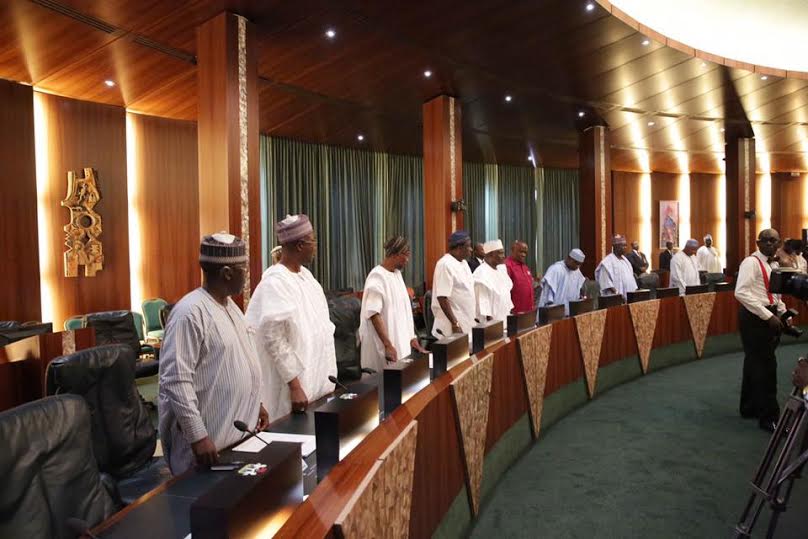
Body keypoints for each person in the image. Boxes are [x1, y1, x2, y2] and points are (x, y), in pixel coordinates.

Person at [158, 233, 268, 475]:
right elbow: (176, 380)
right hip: (206, 449)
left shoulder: (231, 307)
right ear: (227, 272)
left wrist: (256, 402)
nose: (247, 274)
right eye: (243, 268)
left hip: (235, 441)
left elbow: (239, 360)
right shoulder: (189, 313)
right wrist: (198, 436)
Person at [246, 214, 337, 422]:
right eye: (312, 240)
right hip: (292, 390)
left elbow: (322, 327)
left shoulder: (307, 278)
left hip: (316, 383)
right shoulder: (275, 282)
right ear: (299, 245)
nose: (315, 245)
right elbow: (274, 340)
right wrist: (295, 386)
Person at [735, 228, 788, 432]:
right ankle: (769, 418)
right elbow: (741, 293)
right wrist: (768, 316)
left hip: (768, 316)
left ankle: (749, 407)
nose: (770, 244)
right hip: (754, 318)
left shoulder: (772, 264)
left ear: (779, 243)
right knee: (766, 368)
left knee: (753, 362)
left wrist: (782, 313)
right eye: (765, 241)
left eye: (774, 241)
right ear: (758, 243)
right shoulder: (750, 263)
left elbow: (775, 295)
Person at [358, 236, 426, 373]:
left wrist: (412, 338)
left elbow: (404, 310)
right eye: (405, 256)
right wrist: (387, 345)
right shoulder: (377, 276)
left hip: (399, 342)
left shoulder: (397, 274)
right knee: (381, 387)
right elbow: (373, 314)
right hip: (383, 346)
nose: (407, 260)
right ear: (395, 254)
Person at [431, 230, 476, 338]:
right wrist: (455, 323)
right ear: (459, 248)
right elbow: (442, 297)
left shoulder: (464, 263)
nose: (471, 249)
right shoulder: (445, 264)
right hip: (451, 326)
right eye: (468, 246)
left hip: (466, 321)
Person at [473, 239, 513, 324]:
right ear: (491, 254)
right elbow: (483, 303)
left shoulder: (501, 269)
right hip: (491, 323)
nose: (503, 256)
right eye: (500, 253)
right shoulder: (481, 272)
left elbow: (506, 293)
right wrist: (491, 325)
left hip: (505, 318)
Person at [538, 249, 586, 316]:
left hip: (569, 314)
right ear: (569, 258)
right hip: (554, 314)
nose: (577, 266)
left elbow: (579, 289)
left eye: (579, 264)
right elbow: (548, 296)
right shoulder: (555, 269)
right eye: (576, 263)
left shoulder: (577, 272)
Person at [595, 235, 637, 299]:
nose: (625, 247)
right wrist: (617, 294)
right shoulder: (607, 262)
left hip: (629, 298)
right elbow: (606, 282)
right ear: (615, 247)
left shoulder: (626, 261)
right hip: (615, 299)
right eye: (623, 245)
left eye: (625, 245)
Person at [505, 240, 535, 313]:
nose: (523, 255)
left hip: (528, 310)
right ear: (512, 250)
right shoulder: (507, 266)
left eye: (525, 252)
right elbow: (505, 291)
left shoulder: (525, 267)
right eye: (521, 251)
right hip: (515, 312)